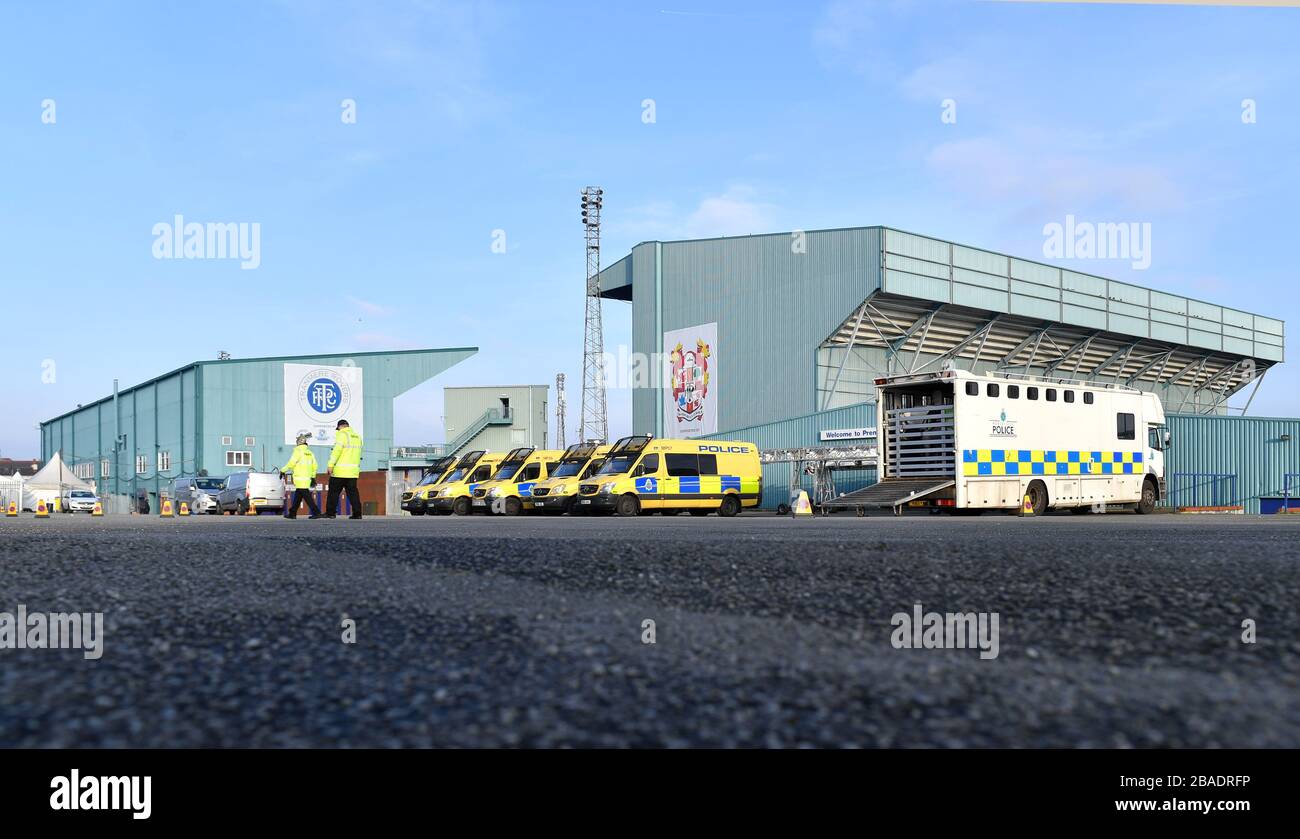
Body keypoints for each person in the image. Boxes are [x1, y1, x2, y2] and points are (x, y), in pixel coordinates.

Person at [325, 419, 363, 519]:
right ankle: (357, 514)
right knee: (353, 494)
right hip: (353, 472)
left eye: (338, 429)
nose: (337, 431)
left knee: (333, 493)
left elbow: (336, 451)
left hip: (340, 471)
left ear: (340, 426)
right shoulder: (358, 437)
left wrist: (330, 465)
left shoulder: (342, 435)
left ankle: (331, 513)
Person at [281, 433, 322, 519]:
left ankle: (316, 512)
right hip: (307, 479)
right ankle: (292, 513)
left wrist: (283, 470)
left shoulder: (298, 451)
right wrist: (313, 477)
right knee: (298, 496)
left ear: (298, 442)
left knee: (307, 497)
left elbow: (291, 463)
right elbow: (315, 466)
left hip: (299, 478)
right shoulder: (310, 453)